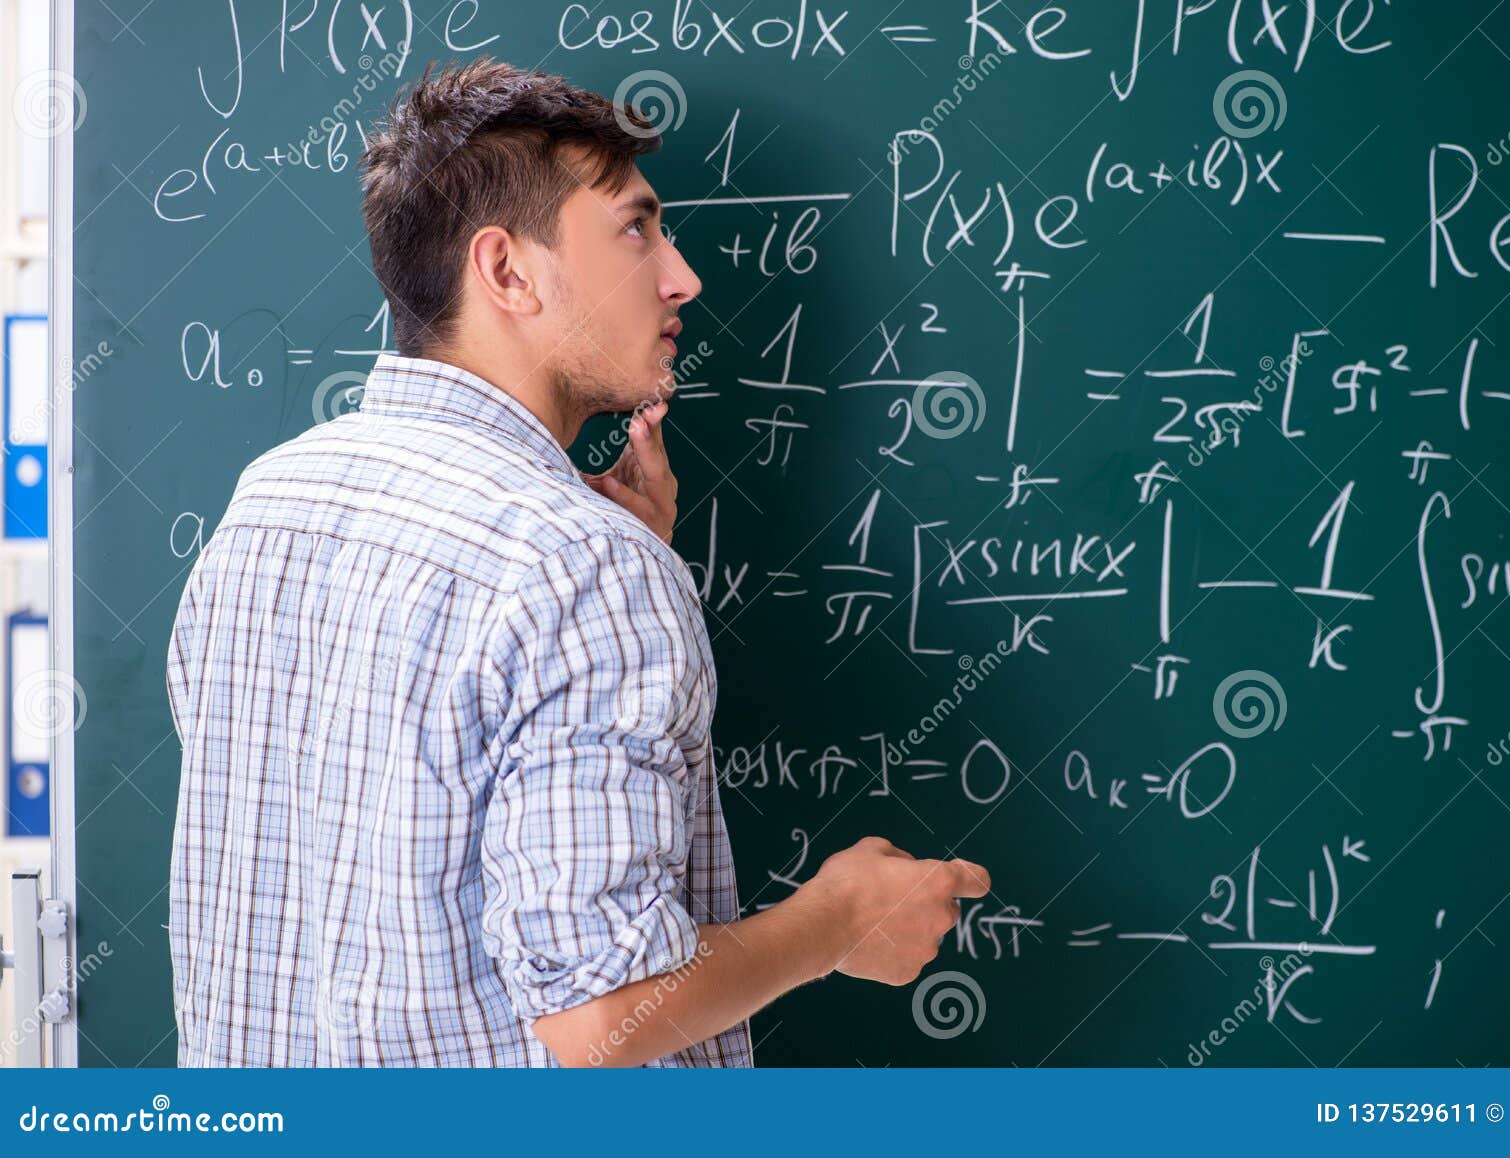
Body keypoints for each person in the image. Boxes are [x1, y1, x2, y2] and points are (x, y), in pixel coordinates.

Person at [165, 57, 990, 1068]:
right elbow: (605, 1015)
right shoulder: (578, 568)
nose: (681, 275)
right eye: (636, 228)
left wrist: (617, 584)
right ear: (507, 271)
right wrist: (835, 923)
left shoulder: (274, 501)